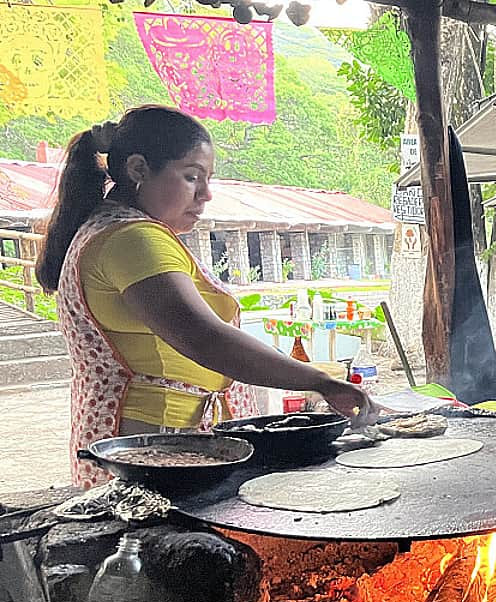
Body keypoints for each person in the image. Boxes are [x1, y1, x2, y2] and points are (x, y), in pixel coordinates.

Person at [35, 105, 379, 487]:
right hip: (155, 446)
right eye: (191, 177)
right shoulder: (133, 238)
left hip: (158, 439)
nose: (206, 194)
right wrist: (321, 381)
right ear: (138, 170)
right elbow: (206, 338)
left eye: (207, 179)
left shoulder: (114, 229)